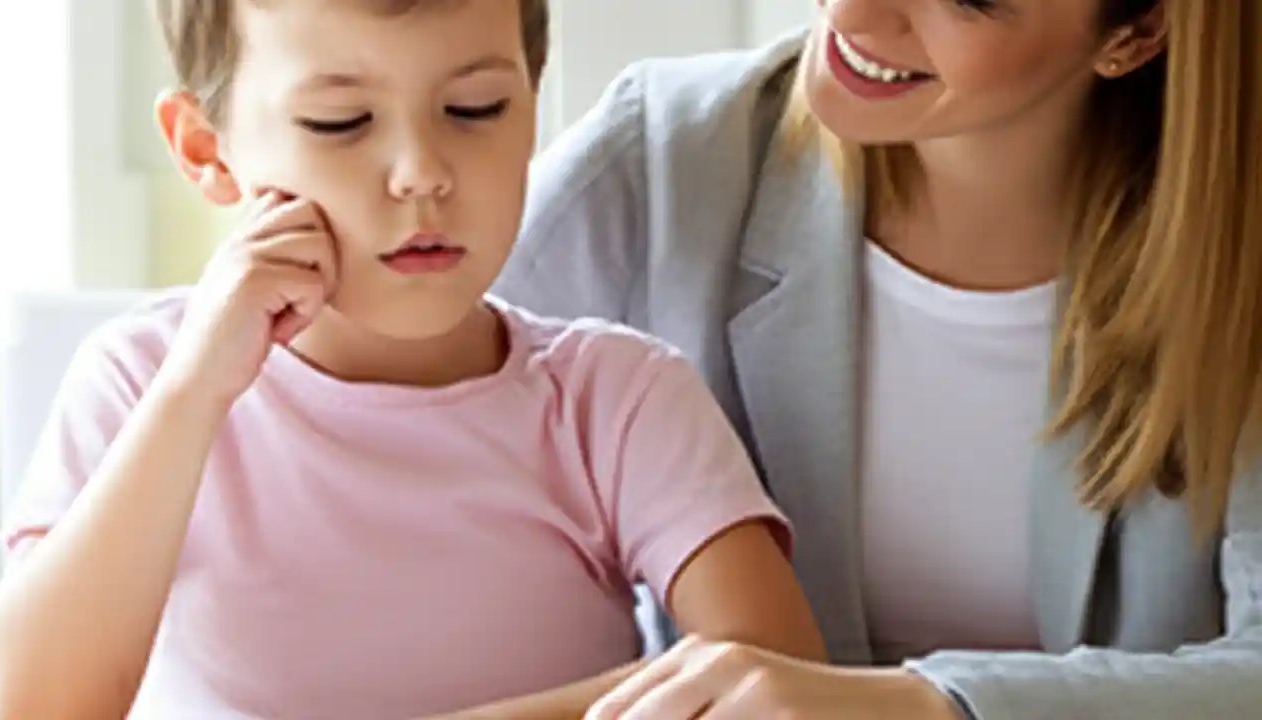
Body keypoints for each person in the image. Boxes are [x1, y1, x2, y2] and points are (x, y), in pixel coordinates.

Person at [0, 1, 827, 718]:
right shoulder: (140, 381)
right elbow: (32, 705)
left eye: (475, 108)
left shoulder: (615, 397)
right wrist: (193, 393)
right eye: (340, 123)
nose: (422, 174)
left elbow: (774, 679)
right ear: (205, 149)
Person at [494, 0, 1262, 717]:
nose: (853, 12)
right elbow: (418, 458)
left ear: (1139, 30)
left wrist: (916, 705)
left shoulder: (1238, 263)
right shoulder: (662, 159)